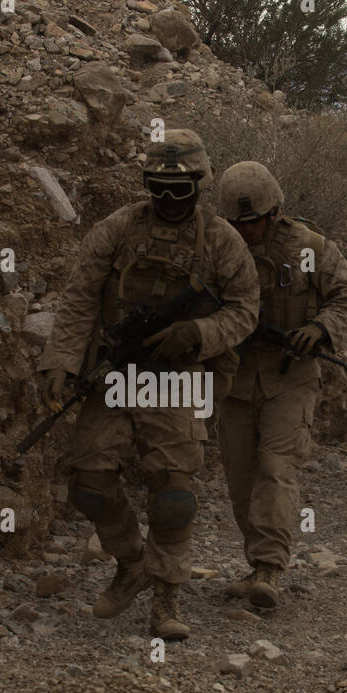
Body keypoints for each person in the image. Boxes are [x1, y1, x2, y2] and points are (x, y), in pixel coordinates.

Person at [37, 130, 258, 639]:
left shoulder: (223, 240)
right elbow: (79, 298)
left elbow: (245, 311)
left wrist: (196, 333)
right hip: (118, 371)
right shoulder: (117, 229)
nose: (168, 200)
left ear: (200, 185)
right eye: (158, 187)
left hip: (178, 377)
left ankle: (166, 595)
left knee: (173, 493)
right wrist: (63, 359)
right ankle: (132, 561)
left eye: (180, 190)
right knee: (89, 482)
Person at [215, 161, 347, 607]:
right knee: (241, 478)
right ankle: (256, 559)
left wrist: (319, 329)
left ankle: (269, 569)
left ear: (274, 212)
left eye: (253, 221)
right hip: (235, 380)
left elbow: (346, 299)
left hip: (290, 379)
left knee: (276, 468)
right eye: (237, 223)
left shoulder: (310, 248)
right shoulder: (218, 251)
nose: (247, 231)